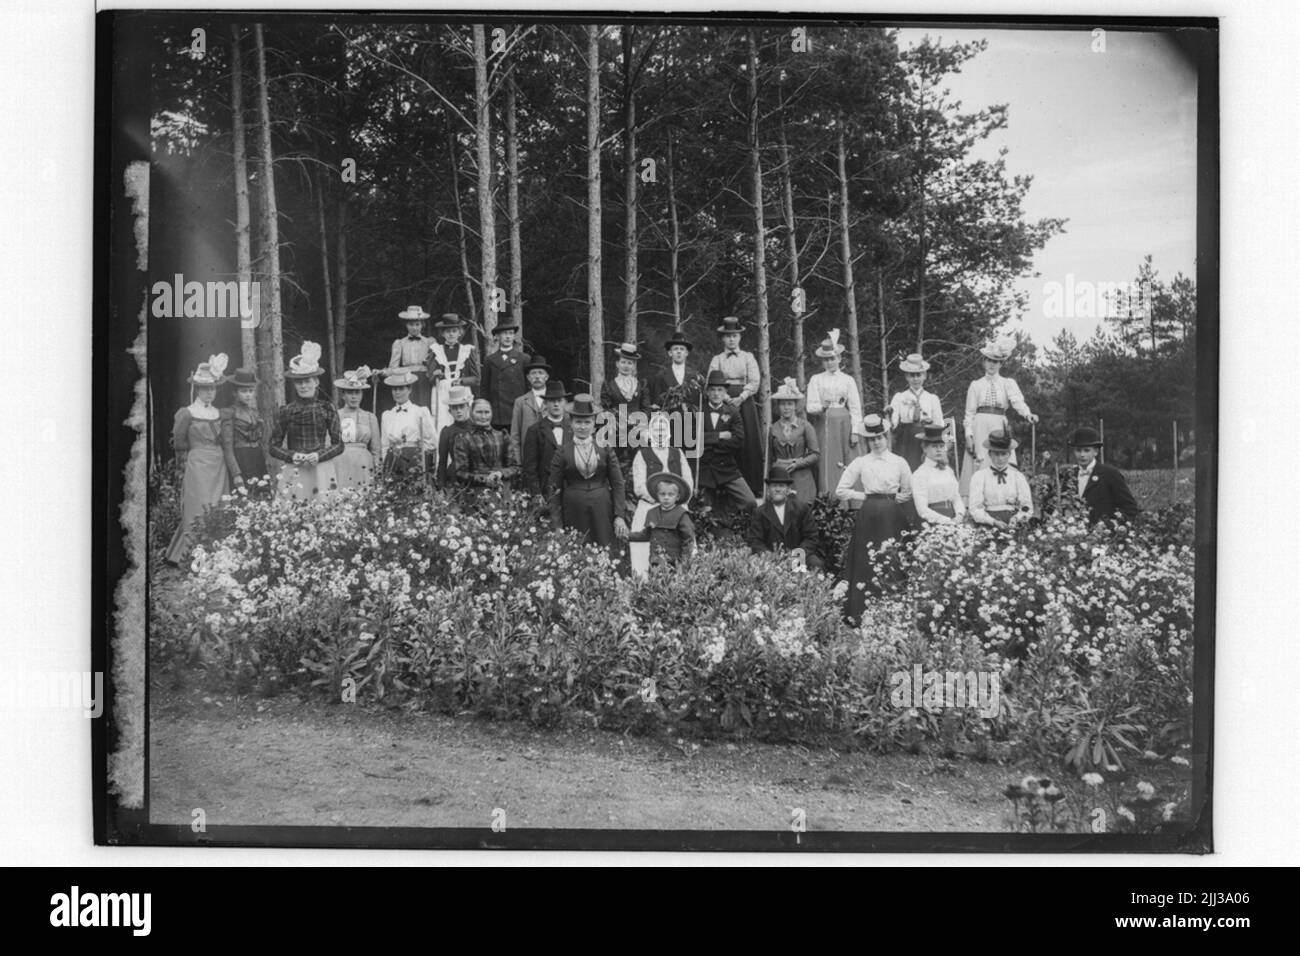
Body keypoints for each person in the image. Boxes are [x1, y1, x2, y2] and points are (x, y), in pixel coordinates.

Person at [836, 414, 913, 624]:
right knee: (866, 560)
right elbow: (841, 490)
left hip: (892, 516)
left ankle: (893, 611)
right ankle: (862, 611)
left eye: (880, 437)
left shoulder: (899, 462)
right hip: (869, 515)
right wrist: (866, 497)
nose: (877, 442)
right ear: (867, 441)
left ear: (886, 437)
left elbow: (907, 491)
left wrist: (891, 499)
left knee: (892, 559)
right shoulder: (861, 462)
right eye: (872, 439)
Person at [164, 355, 231, 566]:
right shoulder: (187, 413)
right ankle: (190, 554)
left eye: (212, 389)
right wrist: (190, 457)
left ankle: (215, 554)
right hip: (198, 463)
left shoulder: (218, 413)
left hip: (218, 464)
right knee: (198, 504)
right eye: (205, 388)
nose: (209, 392)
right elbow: (179, 442)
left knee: (217, 504)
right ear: (197, 389)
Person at [547, 394, 629, 554]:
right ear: (570, 424)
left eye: (587, 422)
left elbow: (618, 483)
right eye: (578, 422)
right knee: (578, 552)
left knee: (606, 552)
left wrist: (619, 515)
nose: (582, 427)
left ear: (594, 425)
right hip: (574, 510)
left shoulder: (605, 449)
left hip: (602, 510)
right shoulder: (562, 452)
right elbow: (553, 490)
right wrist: (557, 525)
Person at [962, 337, 1038, 493]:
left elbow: (1017, 401)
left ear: (1001, 364)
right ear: (984, 362)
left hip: (999, 424)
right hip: (980, 425)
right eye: (989, 360)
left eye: (995, 361)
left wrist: (1027, 414)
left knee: (1000, 457)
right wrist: (968, 435)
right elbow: (969, 414)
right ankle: (977, 499)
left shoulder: (1007, 383)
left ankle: (1003, 496)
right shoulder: (976, 385)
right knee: (980, 459)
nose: (991, 364)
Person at [269, 343, 344, 500]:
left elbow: (339, 444)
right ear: (294, 384)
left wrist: (319, 455)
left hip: (321, 469)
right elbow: (273, 446)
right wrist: (291, 455)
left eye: (307, 381)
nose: (303, 386)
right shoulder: (287, 410)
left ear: (316, 382)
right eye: (299, 382)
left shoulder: (327, 408)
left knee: (322, 511)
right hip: (294, 469)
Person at [805, 329, 866, 508]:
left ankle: (854, 504)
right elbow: (810, 406)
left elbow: (855, 408)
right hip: (824, 422)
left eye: (833, 358)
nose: (830, 362)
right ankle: (830, 502)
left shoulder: (848, 380)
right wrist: (822, 407)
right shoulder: (816, 379)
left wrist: (855, 431)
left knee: (849, 461)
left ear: (839, 358)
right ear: (822, 361)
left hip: (844, 422)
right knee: (828, 462)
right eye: (826, 359)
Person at [629, 411, 695, 577]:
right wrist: (659, 500)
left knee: (683, 544)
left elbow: (688, 480)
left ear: (669, 433)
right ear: (650, 433)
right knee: (645, 552)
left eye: (663, 430)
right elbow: (639, 486)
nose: (660, 434)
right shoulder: (642, 454)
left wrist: (675, 502)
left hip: (675, 507)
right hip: (650, 506)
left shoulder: (677, 453)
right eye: (656, 430)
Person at [707, 316, 765, 495]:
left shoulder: (748, 357)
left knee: (747, 440)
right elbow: (710, 382)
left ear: (740, 337)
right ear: (723, 338)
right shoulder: (717, 359)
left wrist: (741, 397)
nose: (731, 339)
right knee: (726, 438)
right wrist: (724, 398)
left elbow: (755, 381)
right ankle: (725, 486)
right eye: (728, 336)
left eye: (735, 336)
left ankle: (752, 487)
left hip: (744, 402)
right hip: (722, 400)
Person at [696, 369, 757, 514]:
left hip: (727, 468)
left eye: (720, 390)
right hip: (705, 469)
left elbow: (738, 441)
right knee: (702, 509)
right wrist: (720, 436)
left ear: (725, 392)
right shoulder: (697, 411)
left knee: (750, 502)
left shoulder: (733, 412)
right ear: (707, 392)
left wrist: (708, 441)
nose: (716, 393)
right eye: (712, 390)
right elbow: (692, 438)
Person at [745, 464, 823, 571]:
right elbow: (755, 541)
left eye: (781, 486)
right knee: (756, 567)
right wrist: (771, 557)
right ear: (768, 489)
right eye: (774, 486)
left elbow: (811, 537)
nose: (777, 489)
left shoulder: (801, 508)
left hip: (798, 556)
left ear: (788, 489)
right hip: (771, 559)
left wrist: (796, 556)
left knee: (815, 564)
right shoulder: (760, 512)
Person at [626, 472, 697, 572]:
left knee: (673, 586)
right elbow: (646, 534)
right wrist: (627, 536)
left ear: (677, 497)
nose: (666, 497)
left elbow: (688, 540)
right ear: (657, 495)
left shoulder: (682, 514)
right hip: (656, 562)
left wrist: (684, 563)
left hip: (675, 564)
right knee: (655, 585)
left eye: (670, 494)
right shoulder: (652, 513)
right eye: (662, 494)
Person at [1070, 426, 1139, 526]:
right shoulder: (1069, 474)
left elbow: (1130, 508)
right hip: (1072, 534)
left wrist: (1112, 524)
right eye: (1078, 450)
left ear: (1096, 452)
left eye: (1086, 450)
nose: (1082, 455)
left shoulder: (1110, 474)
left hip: (1102, 536)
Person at [887, 352, 944, 472]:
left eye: (918, 375)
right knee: (907, 469)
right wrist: (889, 415)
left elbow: (940, 424)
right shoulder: (899, 397)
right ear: (906, 377)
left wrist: (944, 444)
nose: (916, 379)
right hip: (906, 439)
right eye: (912, 376)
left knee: (927, 469)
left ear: (924, 375)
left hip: (927, 438)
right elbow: (893, 423)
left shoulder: (932, 398)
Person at [600, 342, 650, 477]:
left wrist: (641, 426)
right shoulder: (609, 385)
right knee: (616, 465)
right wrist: (618, 421)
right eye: (623, 362)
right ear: (617, 364)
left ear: (634, 365)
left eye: (629, 363)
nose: (626, 366)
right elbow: (606, 408)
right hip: (616, 431)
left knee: (638, 465)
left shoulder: (641, 385)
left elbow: (645, 408)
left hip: (637, 432)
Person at [768, 377, 820, 504]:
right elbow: (769, 458)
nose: (786, 408)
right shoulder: (773, 428)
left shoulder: (805, 426)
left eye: (790, 404)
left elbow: (815, 454)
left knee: (801, 510)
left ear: (795, 406)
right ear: (778, 406)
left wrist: (798, 463)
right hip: (779, 478)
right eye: (783, 404)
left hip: (801, 477)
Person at [969, 429, 1034, 530]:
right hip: (988, 525)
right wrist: (993, 522)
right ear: (989, 454)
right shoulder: (979, 477)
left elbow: (1027, 505)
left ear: (1009, 454)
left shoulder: (1018, 477)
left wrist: (1017, 518)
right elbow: (975, 507)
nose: (1000, 458)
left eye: (1003, 454)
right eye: (996, 454)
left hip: (1014, 525)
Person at [428, 313, 480, 436]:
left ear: (459, 332)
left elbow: (476, 378)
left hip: (461, 390)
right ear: (443, 333)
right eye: (448, 331)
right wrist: (436, 374)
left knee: (464, 421)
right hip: (442, 391)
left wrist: (462, 381)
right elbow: (430, 379)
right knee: (443, 422)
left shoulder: (467, 350)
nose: (451, 334)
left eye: (454, 330)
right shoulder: (436, 350)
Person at [220, 366, 268, 495]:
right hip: (241, 458)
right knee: (245, 497)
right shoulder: (229, 413)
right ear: (235, 393)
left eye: (250, 391)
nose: (248, 395)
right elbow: (227, 447)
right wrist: (236, 474)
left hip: (257, 458)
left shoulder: (254, 412)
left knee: (261, 495)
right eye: (243, 391)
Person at [380, 370, 436, 483]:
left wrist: (417, 455)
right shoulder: (387, 415)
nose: (397, 392)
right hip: (392, 461)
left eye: (401, 389)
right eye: (394, 389)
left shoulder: (420, 412)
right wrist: (386, 465)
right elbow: (385, 445)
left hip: (412, 460)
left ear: (409, 389)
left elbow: (432, 443)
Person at [521, 380, 572, 503]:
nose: (556, 405)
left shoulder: (573, 428)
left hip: (571, 489)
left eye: (559, 401)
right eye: (552, 401)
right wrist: (536, 493)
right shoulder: (535, 430)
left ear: (565, 403)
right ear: (545, 403)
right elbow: (530, 466)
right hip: (546, 489)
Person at [332, 366, 381, 492]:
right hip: (341, 463)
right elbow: (329, 445)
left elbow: (376, 450)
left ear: (361, 394)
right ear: (343, 395)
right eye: (349, 392)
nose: (354, 397)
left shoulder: (370, 417)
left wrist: (378, 472)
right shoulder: (335, 415)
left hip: (364, 463)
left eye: (357, 392)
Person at [453, 398, 519, 489]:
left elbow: (514, 467)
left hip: (502, 490)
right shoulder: (463, 439)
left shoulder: (502, 436)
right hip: (475, 491)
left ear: (492, 413)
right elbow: (460, 473)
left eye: (487, 412)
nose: (483, 417)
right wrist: (484, 479)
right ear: (472, 414)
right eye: (479, 412)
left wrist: (500, 473)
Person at [910, 423, 966, 526]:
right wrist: (946, 521)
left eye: (941, 446)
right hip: (932, 521)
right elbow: (922, 509)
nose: (939, 449)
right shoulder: (919, 474)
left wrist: (959, 515)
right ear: (925, 448)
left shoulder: (948, 471)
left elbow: (956, 497)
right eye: (934, 446)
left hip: (953, 518)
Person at [480, 321, 531, 431]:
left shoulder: (524, 359)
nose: (508, 337)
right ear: (497, 336)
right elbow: (484, 388)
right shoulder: (489, 360)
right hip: (498, 413)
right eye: (504, 333)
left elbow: (529, 387)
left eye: (511, 333)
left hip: (517, 410)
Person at [649, 333, 704, 429]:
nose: (679, 352)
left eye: (682, 349)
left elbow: (699, 402)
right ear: (670, 353)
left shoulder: (695, 376)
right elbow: (657, 403)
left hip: (690, 426)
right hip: (669, 425)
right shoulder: (661, 376)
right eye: (675, 349)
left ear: (686, 353)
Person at [386, 305, 435, 409]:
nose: (414, 328)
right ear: (406, 325)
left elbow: (434, 364)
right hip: (406, 379)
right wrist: (383, 372)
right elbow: (393, 367)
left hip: (423, 380)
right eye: (411, 324)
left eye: (417, 324)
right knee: (407, 407)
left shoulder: (429, 342)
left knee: (424, 407)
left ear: (422, 325)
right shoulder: (400, 343)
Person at [509, 354, 552, 463]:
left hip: (552, 458)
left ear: (546, 377)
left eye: (540, 373)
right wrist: (518, 461)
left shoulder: (555, 400)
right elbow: (515, 435)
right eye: (533, 373)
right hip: (529, 457)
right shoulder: (520, 402)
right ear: (528, 377)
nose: (537, 376)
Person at [434, 385, 475, 486]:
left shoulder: (476, 428)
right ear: (450, 411)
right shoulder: (447, 432)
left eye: (461, 406)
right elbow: (442, 462)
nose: (458, 411)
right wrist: (441, 488)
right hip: (454, 478)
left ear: (468, 407)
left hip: (475, 476)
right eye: (455, 408)